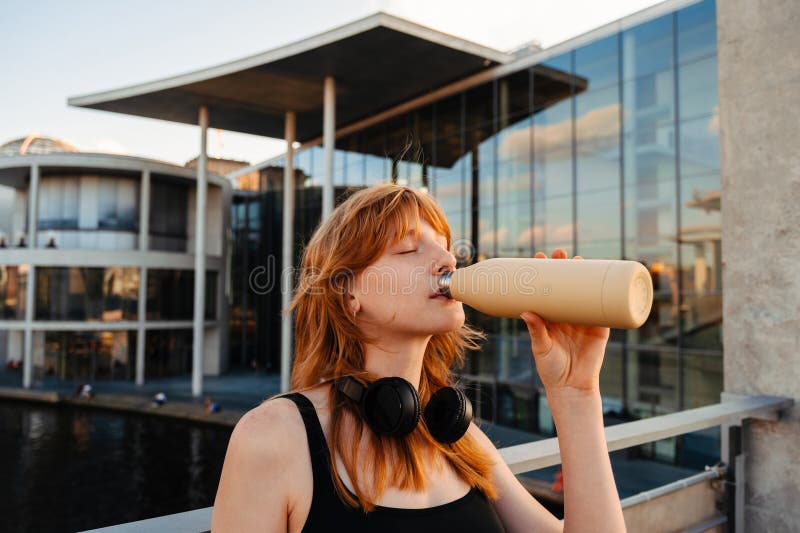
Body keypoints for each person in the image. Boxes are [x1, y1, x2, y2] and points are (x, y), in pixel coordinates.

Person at [212, 184, 626, 532]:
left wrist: (577, 394)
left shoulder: (460, 438)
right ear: (347, 292)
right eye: (409, 249)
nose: (448, 260)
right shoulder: (273, 437)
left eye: (445, 247)